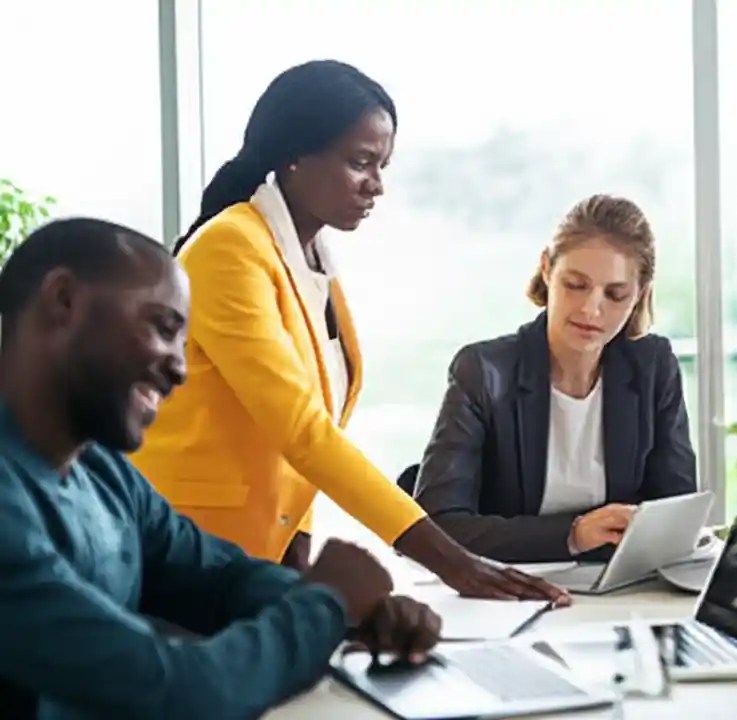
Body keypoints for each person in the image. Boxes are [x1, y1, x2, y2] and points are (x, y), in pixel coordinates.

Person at [130, 60, 566, 603]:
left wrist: (299, 536)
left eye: (382, 166)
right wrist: (454, 562)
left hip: (258, 554)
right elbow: (302, 429)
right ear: (294, 155)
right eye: (361, 163)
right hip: (185, 550)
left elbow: (302, 427)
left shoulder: (309, 255)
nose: (377, 186)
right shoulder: (229, 249)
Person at [0, 218, 443, 719]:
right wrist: (324, 603)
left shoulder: (100, 471)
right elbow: (178, 692)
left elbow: (217, 576)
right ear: (64, 300)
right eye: (163, 328)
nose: (180, 368)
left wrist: (356, 611)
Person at [412, 195, 697, 562]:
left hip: (618, 588)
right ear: (547, 269)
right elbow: (438, 526)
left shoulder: (653, 367)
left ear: (639, 293)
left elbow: (673, 513)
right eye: (576, 285)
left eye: (615, 294)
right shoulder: (482, 372)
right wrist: (573, 535)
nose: (591, 309)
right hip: (507, 590)